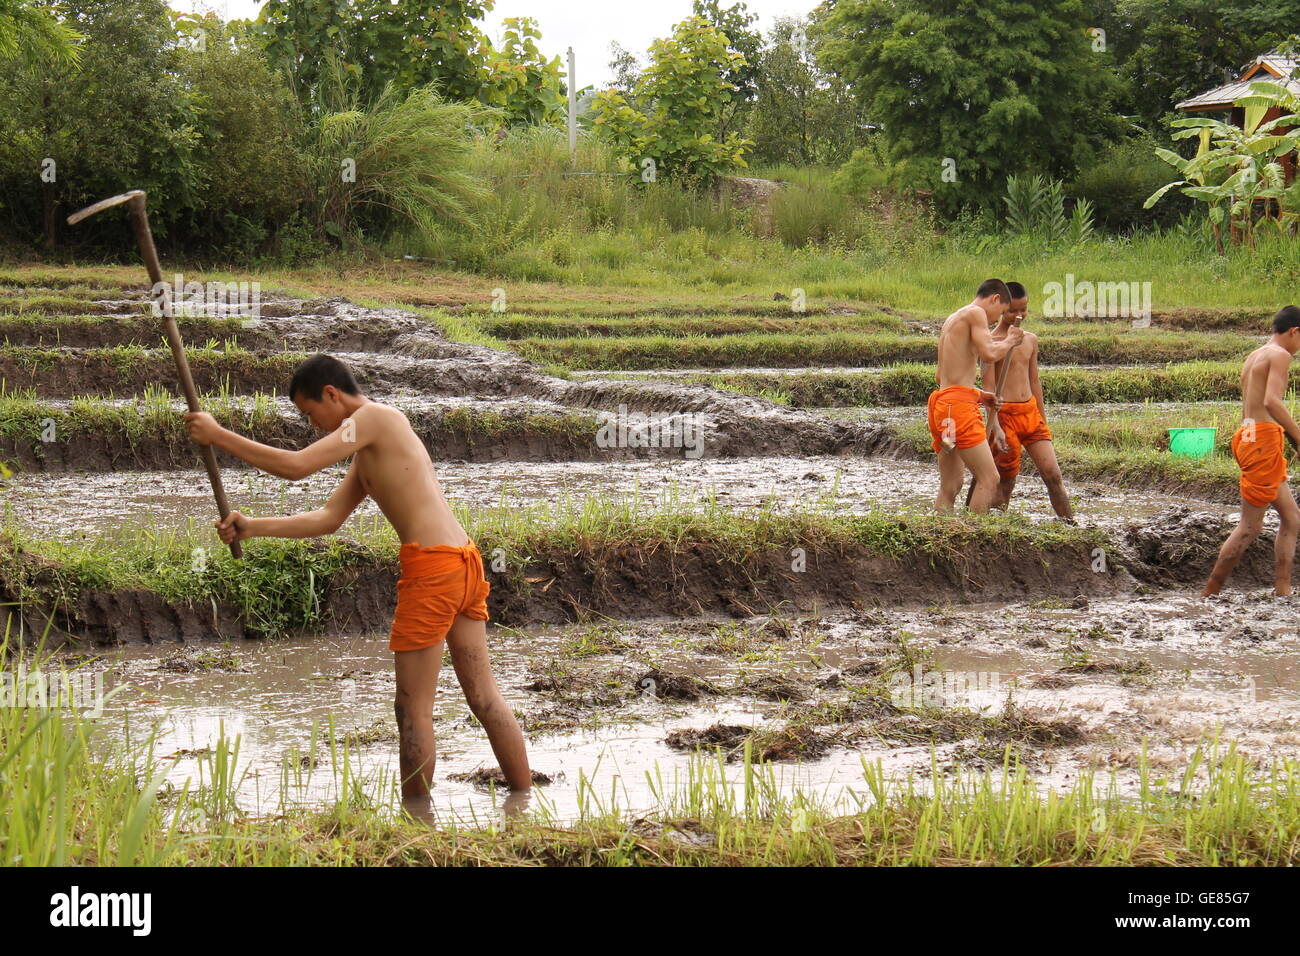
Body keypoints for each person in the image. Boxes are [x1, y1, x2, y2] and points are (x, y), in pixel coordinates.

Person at [183, 354, 532, 810]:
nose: (312, 426)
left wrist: (218, 435)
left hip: (434, 569)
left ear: (332, 394)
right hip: (463, 562)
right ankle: (524, 802)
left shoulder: (373, 418)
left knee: (412, 708)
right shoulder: (372, 443)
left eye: (310, 413)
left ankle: (417, 823)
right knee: (484, 696)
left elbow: (296, 466)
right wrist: (253, 526)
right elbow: (329, 519)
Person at [1203, 306, 1300, 597]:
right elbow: (1272, 401)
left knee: (1292, 518)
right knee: (1249, 527)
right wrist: (1297, 437)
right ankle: (1209, 593)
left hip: (1247, 435)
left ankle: (1283, 591)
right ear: (1295, 331)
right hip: (1262, 441)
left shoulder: (1256, 354)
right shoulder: (1281, 355)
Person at [980, 281, 1074, 521]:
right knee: (1007, 480)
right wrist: (996, 426)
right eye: (1013, 311)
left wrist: (1042, 418)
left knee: (1053, 474)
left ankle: (1070, 525)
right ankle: (997, 529)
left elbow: (1034, 381)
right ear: (1001, 308)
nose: (1019, 316)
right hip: (1005, 416)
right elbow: (988, 388)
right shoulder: (990, 343)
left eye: (1024, 310)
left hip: (1030, 414)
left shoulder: (1031, 340)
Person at [929, 279, 1024, 513]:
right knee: (990, 478)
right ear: (994, 299)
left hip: (945, 410)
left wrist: (979, 395)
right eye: (1000, 312)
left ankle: (942, 534)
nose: (994, 321)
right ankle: (974, 538)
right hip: (959, 412)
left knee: (951, 484)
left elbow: (942, 376)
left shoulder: (954, 318)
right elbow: (989, 353)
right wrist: (1011, 340)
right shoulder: (976, 313)